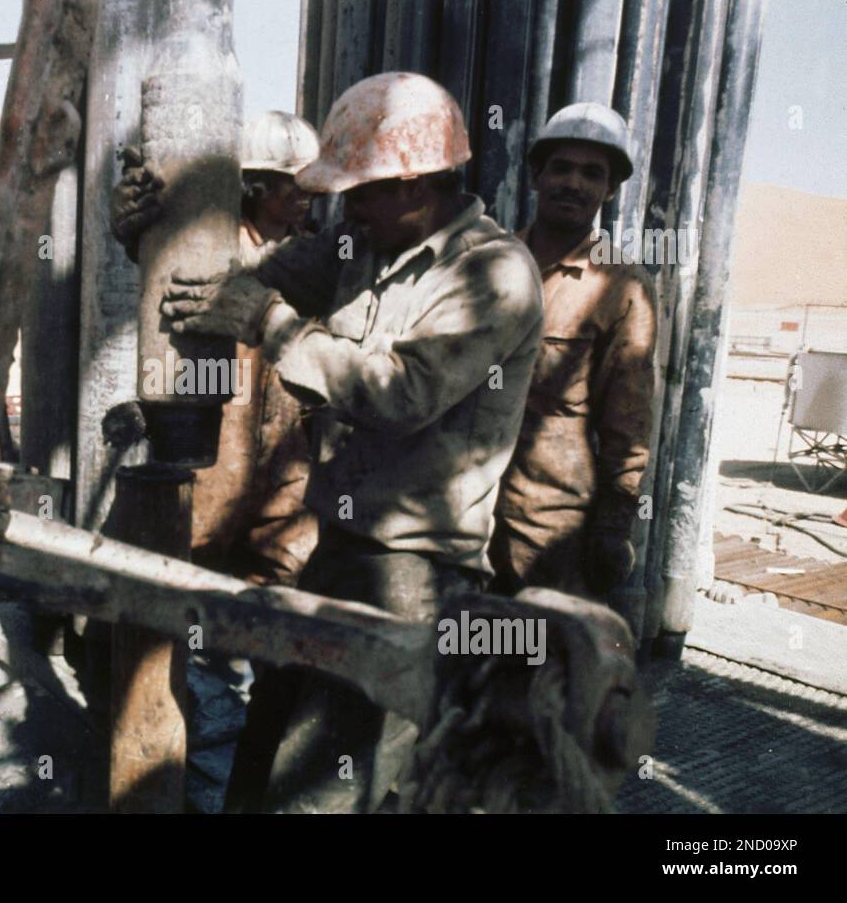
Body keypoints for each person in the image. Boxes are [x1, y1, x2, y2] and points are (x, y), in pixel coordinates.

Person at [114, 73, 544, 813]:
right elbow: (228, 286)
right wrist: (150, 232)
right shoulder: (359, 246)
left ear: (414, 183)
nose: (343, 207)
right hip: (333, 555)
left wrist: (273, 324)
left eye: (360, 190)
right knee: (259, 771)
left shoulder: (492, 273)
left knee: (323, 796)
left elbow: (400, 395)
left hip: (412, 581)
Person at [116, 111, 322, 586]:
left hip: (287, 442)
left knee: (285, 564)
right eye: (295, 184)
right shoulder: (211, 247)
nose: (308, 196)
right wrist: (140, 228)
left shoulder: (313, 255)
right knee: (194, 550)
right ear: (256, 187)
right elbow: (168, 262)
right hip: (222, 429)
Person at [488, 103, 658, 634]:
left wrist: (613, 525)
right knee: (462, 657)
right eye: (561, 167)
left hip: (551, 523)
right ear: (537, 175)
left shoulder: (621, 286)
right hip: (462, 506)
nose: (573, 183)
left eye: (593, 174)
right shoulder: (487, 263)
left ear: (609, 191)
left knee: (537, 663)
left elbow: (627, 420)